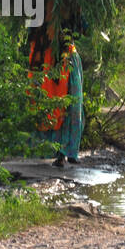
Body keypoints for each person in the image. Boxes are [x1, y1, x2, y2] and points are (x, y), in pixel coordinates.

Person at [26, 15, 84, 167]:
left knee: (72, 106)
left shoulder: (72, 5)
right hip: (46, 60)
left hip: (66, 58)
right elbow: (32, 31)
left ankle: (68, 151)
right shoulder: (39, 5)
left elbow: (83, 27)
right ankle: (57, 151)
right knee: (53, 106)